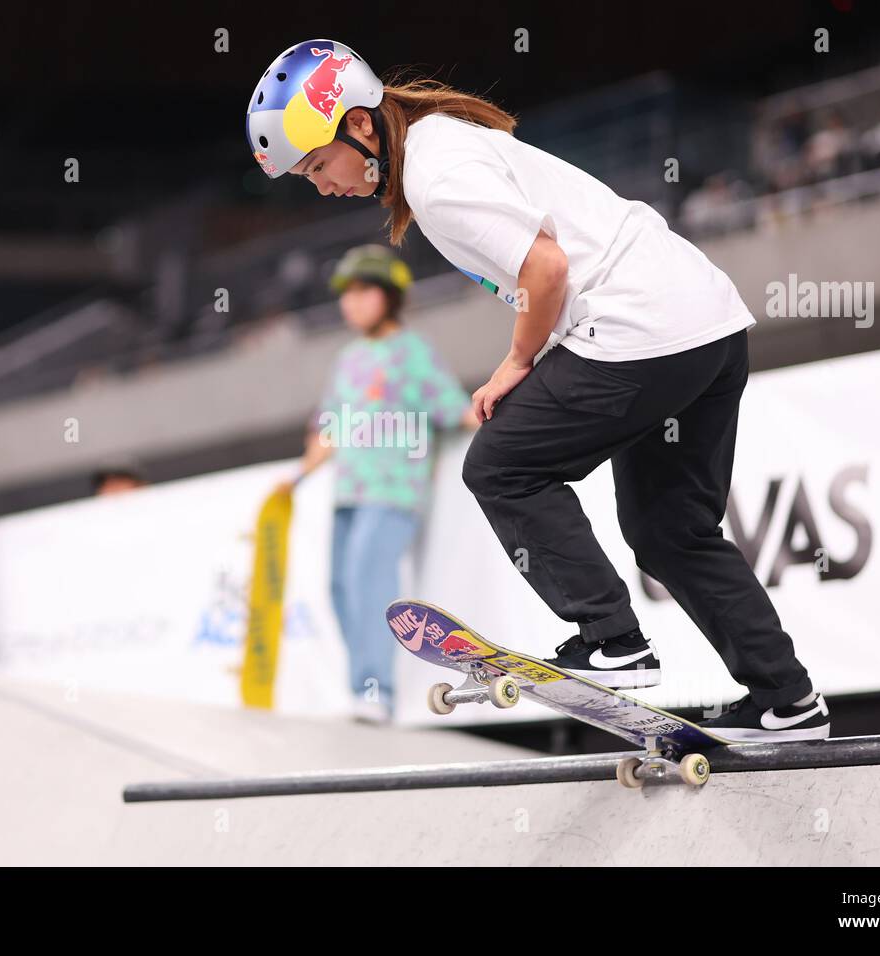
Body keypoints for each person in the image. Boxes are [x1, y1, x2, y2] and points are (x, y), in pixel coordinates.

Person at [246, 39, 828, 742]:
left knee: (500, 465)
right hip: (705, 322)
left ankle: (614, 644)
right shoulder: (438, 144)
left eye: (317, 165)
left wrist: (516, 362)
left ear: (361, 126)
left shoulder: (436, 175)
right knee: (671, 530)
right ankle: (785, 700)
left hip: (638, 324)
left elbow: (545, 270)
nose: (321, 185)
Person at [277, 244, 477, 724]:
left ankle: (376, 691)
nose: (351, 302)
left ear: (389, 296)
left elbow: (456, 410)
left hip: (394, 493)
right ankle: (358, 689)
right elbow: (328, 427)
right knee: (341, 586)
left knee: (370, 579)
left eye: (362, 291)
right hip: (347, 493)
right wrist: (299, 473)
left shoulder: (413, 351)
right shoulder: (347, 359)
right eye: (346, 294)